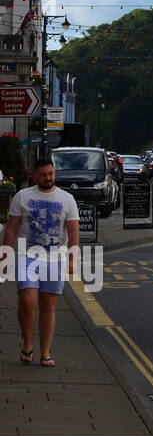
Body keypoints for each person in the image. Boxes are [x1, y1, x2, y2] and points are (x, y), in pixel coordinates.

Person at [3, 157, 79, 367]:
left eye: (51, 173)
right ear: (35, 176)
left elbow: (72, 231)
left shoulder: (67, 199)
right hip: (27, 256)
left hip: (55, 259)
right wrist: (5, 253)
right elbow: (11, 227)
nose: (48, 178)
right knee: (27, 301)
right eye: (44, 174)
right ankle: (28, 343)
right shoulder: (22, 197)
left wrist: (73, 258)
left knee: (48, 305)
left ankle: (45, 352)